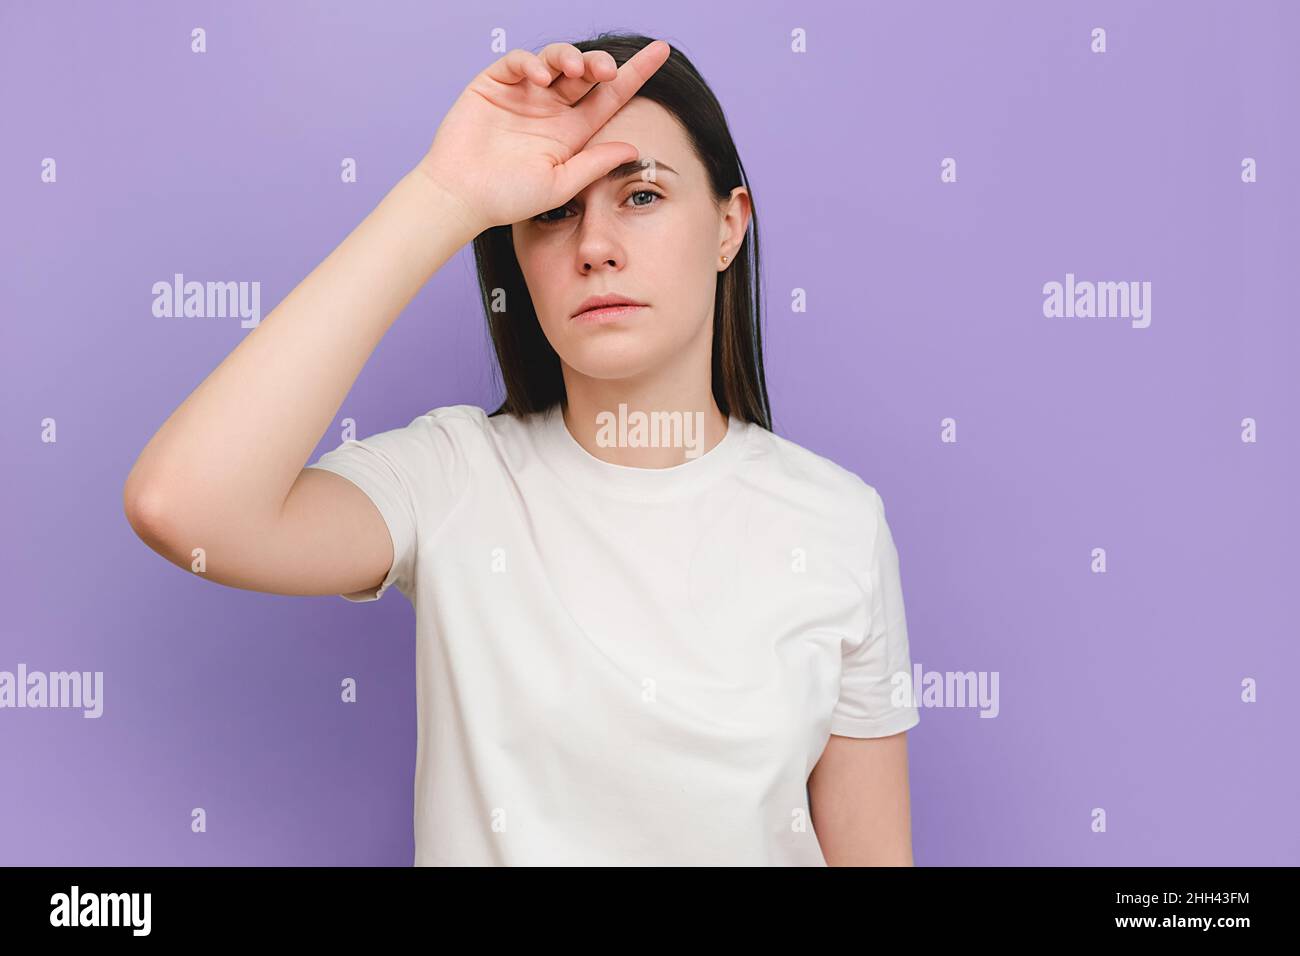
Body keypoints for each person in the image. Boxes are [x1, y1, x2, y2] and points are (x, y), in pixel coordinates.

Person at [124, 32, 920, 866]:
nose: (594, 246)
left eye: (641, 196)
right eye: (553, 210)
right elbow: (181, 506)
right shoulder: (452, 479)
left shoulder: (836, 523)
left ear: (729, 226)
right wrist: (445, 193)